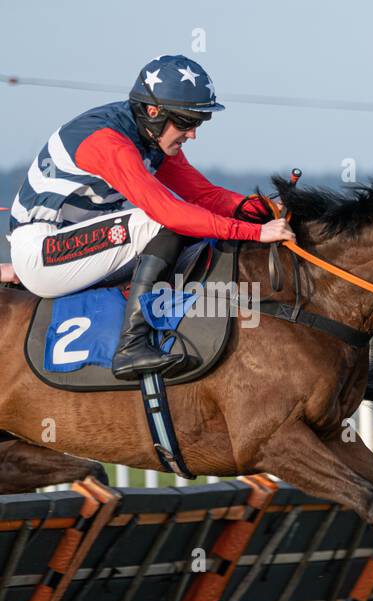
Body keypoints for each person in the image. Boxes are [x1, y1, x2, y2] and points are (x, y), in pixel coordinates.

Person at [4, 54, 294, 379]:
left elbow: (204, 195)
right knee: (162, 223)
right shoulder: (109, 142)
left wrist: (265, 211)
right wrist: (256, 233)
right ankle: (132, 346)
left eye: (199, 122)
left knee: (197, 231)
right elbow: (168, 212)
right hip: (42, 254)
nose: (193, 134)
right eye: (186, 122)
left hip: (72, 251)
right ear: (153, 113)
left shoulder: (149, 137)